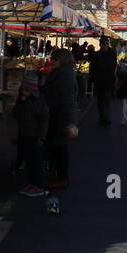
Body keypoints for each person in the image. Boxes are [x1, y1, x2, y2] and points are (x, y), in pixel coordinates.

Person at [42, 49, 78, 189]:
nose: (52, 62)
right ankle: (57, 172)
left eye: (54, 60)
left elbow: (69, 100)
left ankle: (63, 178)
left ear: (61, 60)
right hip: (55, 113)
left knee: (60, 147)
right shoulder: (62, 73)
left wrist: (70, 122)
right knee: (56, 146)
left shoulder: (66, 76)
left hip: (60, 116)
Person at [14, 72, 50, 197]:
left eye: (25, 90)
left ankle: (39, 185)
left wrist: (41, 137)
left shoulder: (38, 102)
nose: (23, 92)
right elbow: (17, 114)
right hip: (25, 133)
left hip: (34, 135)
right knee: (29, 160)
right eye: (22, 90)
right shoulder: (25, 101)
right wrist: (20, 101)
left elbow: (44, 120)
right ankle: (32, 182)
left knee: (36, 162)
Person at [89, 36, 117, 126]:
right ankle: (101, 118)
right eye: (104, 44)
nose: (105, 46)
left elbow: (113, 66)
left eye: (106, 44)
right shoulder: (96, 55)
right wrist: (94, 79)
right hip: (99, 81)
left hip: (108, 81)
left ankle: (106, 118)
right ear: (100, 45)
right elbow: (92, 68)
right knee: (100, 101)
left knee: (107, 100)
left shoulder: (112, 54)